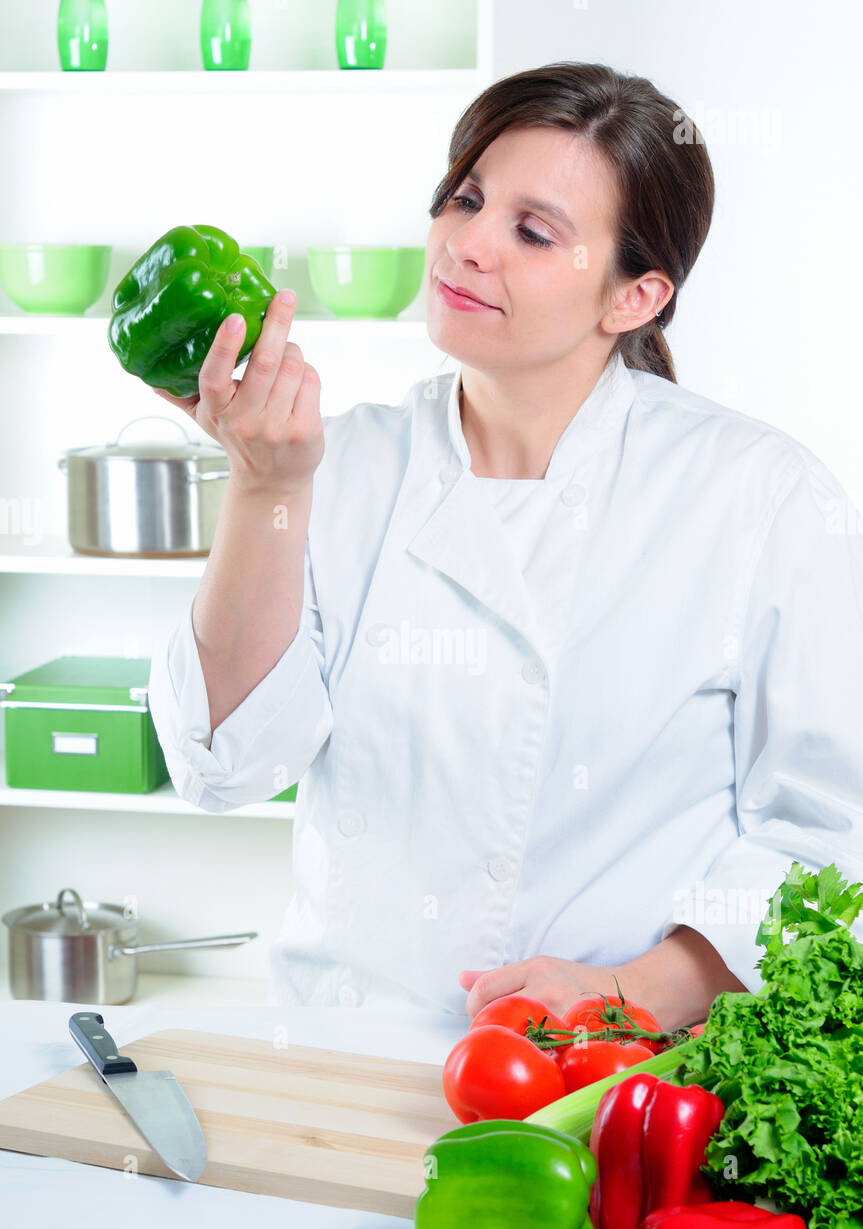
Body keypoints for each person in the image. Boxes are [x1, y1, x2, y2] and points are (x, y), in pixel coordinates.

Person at [147, 62, 863, 1026]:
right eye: (466, 199)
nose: (466, 244)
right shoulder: (333, 464)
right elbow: (224, 766)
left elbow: (827, 839)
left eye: (532, 231)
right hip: (342, 1058)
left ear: (635, 297)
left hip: (611, 1082)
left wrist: (624, 994)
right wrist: (264, 487)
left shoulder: (753, 495)